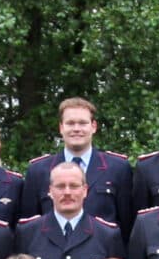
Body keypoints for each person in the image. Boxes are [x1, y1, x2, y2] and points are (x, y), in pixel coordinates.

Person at [18, 159, 122, 259]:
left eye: (74, 186)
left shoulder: (107, 234)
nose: (67, 192)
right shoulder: (28, 232)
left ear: (85, 190)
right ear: (50, 191)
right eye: (60, 186)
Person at [19, 94, 131, 229]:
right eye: (70, 123)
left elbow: (127, 224)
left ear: (93, 126)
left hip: (101, 249)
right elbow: (29, 228)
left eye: (83, 123)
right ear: (61, 127)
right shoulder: (38, 171)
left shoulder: (118, 168)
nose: (76, 129)